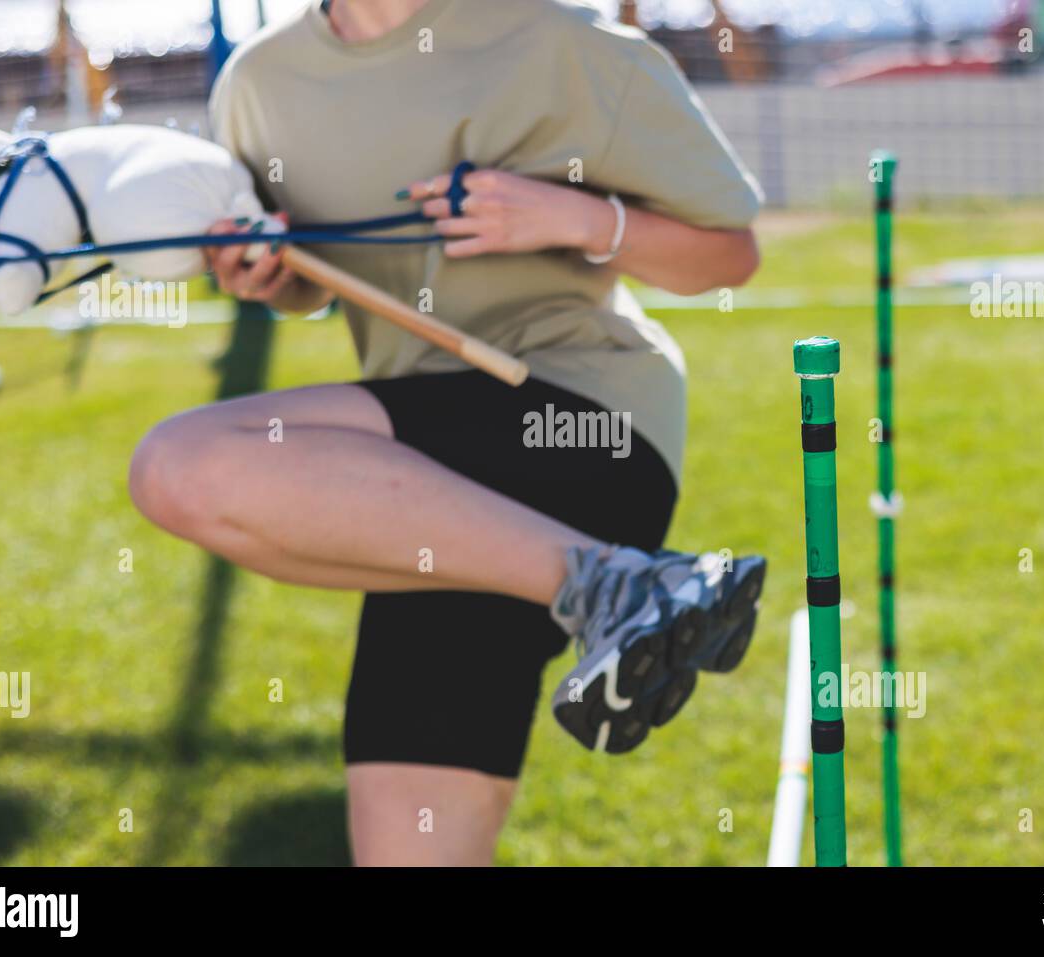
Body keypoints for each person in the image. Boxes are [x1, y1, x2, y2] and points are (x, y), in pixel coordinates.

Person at [128, 0, 765, 866]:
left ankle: (613, 583)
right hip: (425, 495)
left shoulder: (563, 44)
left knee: (181, 464)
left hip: (583, 424)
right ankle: (614, 591)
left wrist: (575, 220)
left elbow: (727, 254)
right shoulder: (258, 84)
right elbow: (306, 278)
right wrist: (266, 275)